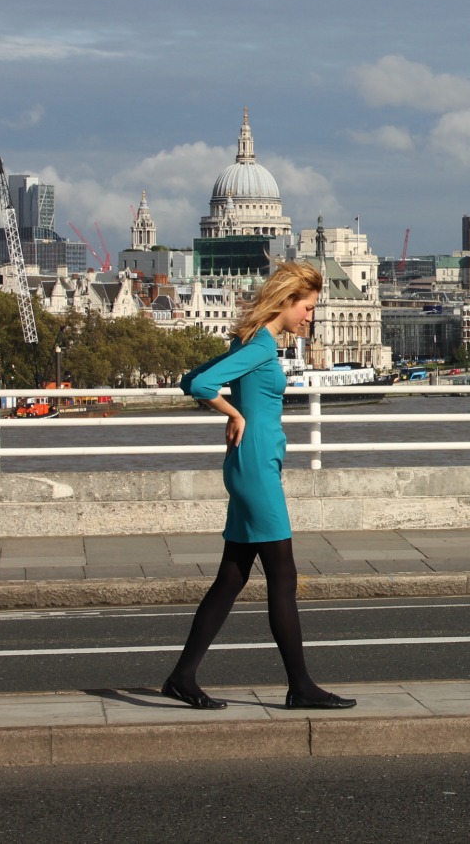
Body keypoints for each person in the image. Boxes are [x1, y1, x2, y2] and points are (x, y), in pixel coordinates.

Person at [161, 261, 356, 711]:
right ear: (287, 302)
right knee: (283, 576)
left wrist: (236, 413)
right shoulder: (261, 347)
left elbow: (191, 378)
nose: (309, 316)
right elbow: (202, 384)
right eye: (306, 308)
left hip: (254, 464)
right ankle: (300, 686)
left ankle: (182, 676)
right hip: (254, 470)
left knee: (232, 577)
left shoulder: (251, 342)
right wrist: (235, 415)